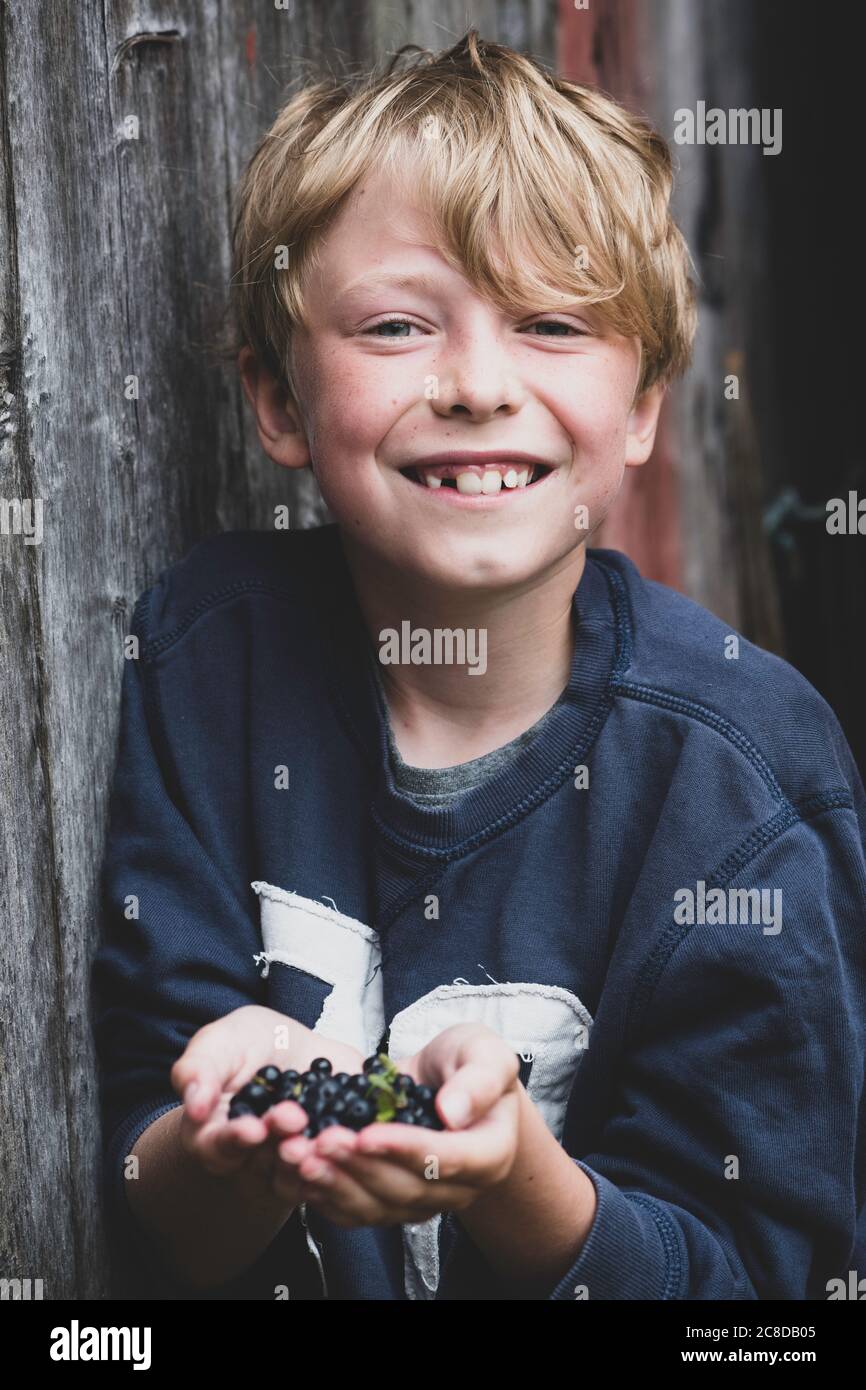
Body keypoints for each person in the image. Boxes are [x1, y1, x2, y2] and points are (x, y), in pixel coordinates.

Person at [92, 29, 866, 1301]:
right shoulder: (206, 658)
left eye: (553, 322)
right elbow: (145, 1204)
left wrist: (520, 1188)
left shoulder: (741, 784)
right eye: (397, 325)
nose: (476, 384)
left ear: (640, 408)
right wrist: (218, 1145)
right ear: (278, 400)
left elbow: (756, 1295)